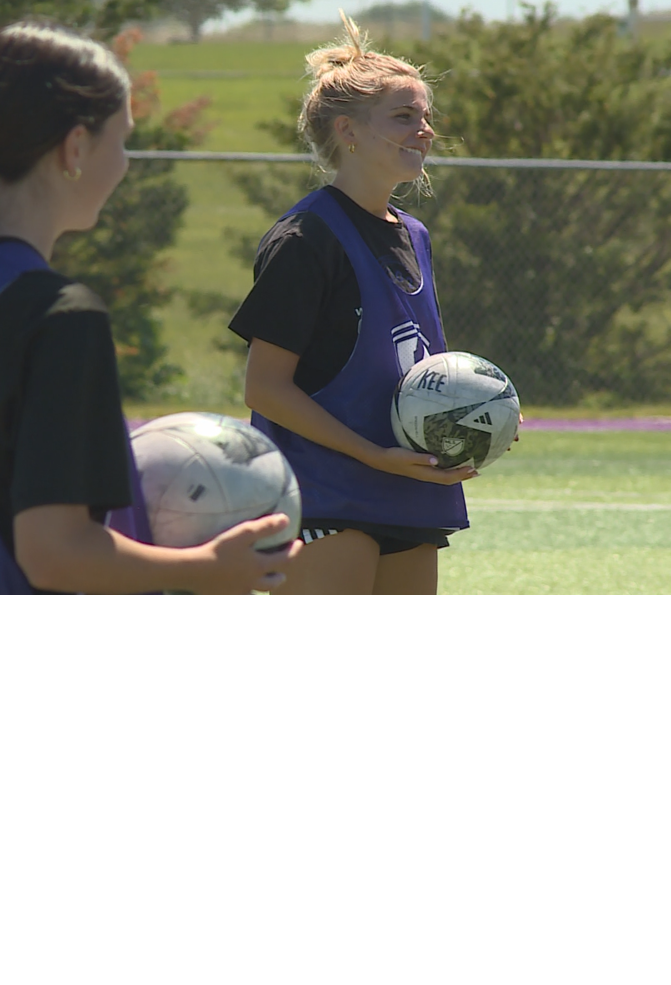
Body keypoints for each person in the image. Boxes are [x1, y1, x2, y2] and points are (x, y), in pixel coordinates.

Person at [0, 20, 299, 595]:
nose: (124, 163)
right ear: (75, 147)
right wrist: (207, 569)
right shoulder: (57, 316)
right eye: (122, 141)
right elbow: (55, 554)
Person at [232, 13, 502, 595]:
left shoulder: (415, 235)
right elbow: (265, 389)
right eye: (404, 117)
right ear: (348, 131)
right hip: (326, 489)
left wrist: (481, 412)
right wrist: (371, 454)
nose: (424, 130)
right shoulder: (306, 239)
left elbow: (419, 370)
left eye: (426, 117)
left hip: (408, 490)